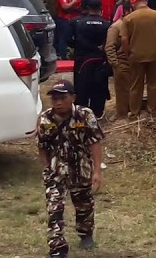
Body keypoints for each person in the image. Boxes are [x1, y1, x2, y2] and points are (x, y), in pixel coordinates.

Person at [37, 80, 104, 258]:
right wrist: (46, 168)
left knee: (83, 205)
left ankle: (85, 233)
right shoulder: (45, 118)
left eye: (63, 98)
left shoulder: (85, 115)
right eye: (55, 99)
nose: (58, 103)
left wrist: (97, 171)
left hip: (80, 168)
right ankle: (58, 248)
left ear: (72, 97)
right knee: (54, 209)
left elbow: (95, 143)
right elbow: (41, 145)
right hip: (56, 171)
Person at [121, 0, 156, 118]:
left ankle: (135, 112)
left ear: (132, 4)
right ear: (145, 2)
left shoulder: (128, 18)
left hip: (135, 55)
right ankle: (152, 110)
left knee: (136, 84)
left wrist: (128, 53)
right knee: (154, 83)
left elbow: (124, 39)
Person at [70, 0, 110, 117]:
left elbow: (75, 41)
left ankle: (82, 112)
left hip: (83, 59)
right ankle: (97, 112)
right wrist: (100, 48)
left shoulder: (79, 23)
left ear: (87, 8)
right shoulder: (106, 23)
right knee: (100, 85)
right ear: (100, 9)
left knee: (82, 86)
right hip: (100, 60)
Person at [103, 13, 130, 120]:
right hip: (121, 63)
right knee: (122, 91)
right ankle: (122, 114)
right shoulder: (116, 27)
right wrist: (115, 63)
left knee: (133, 90)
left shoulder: (132, 24)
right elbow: (109, 47)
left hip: (133, 62)